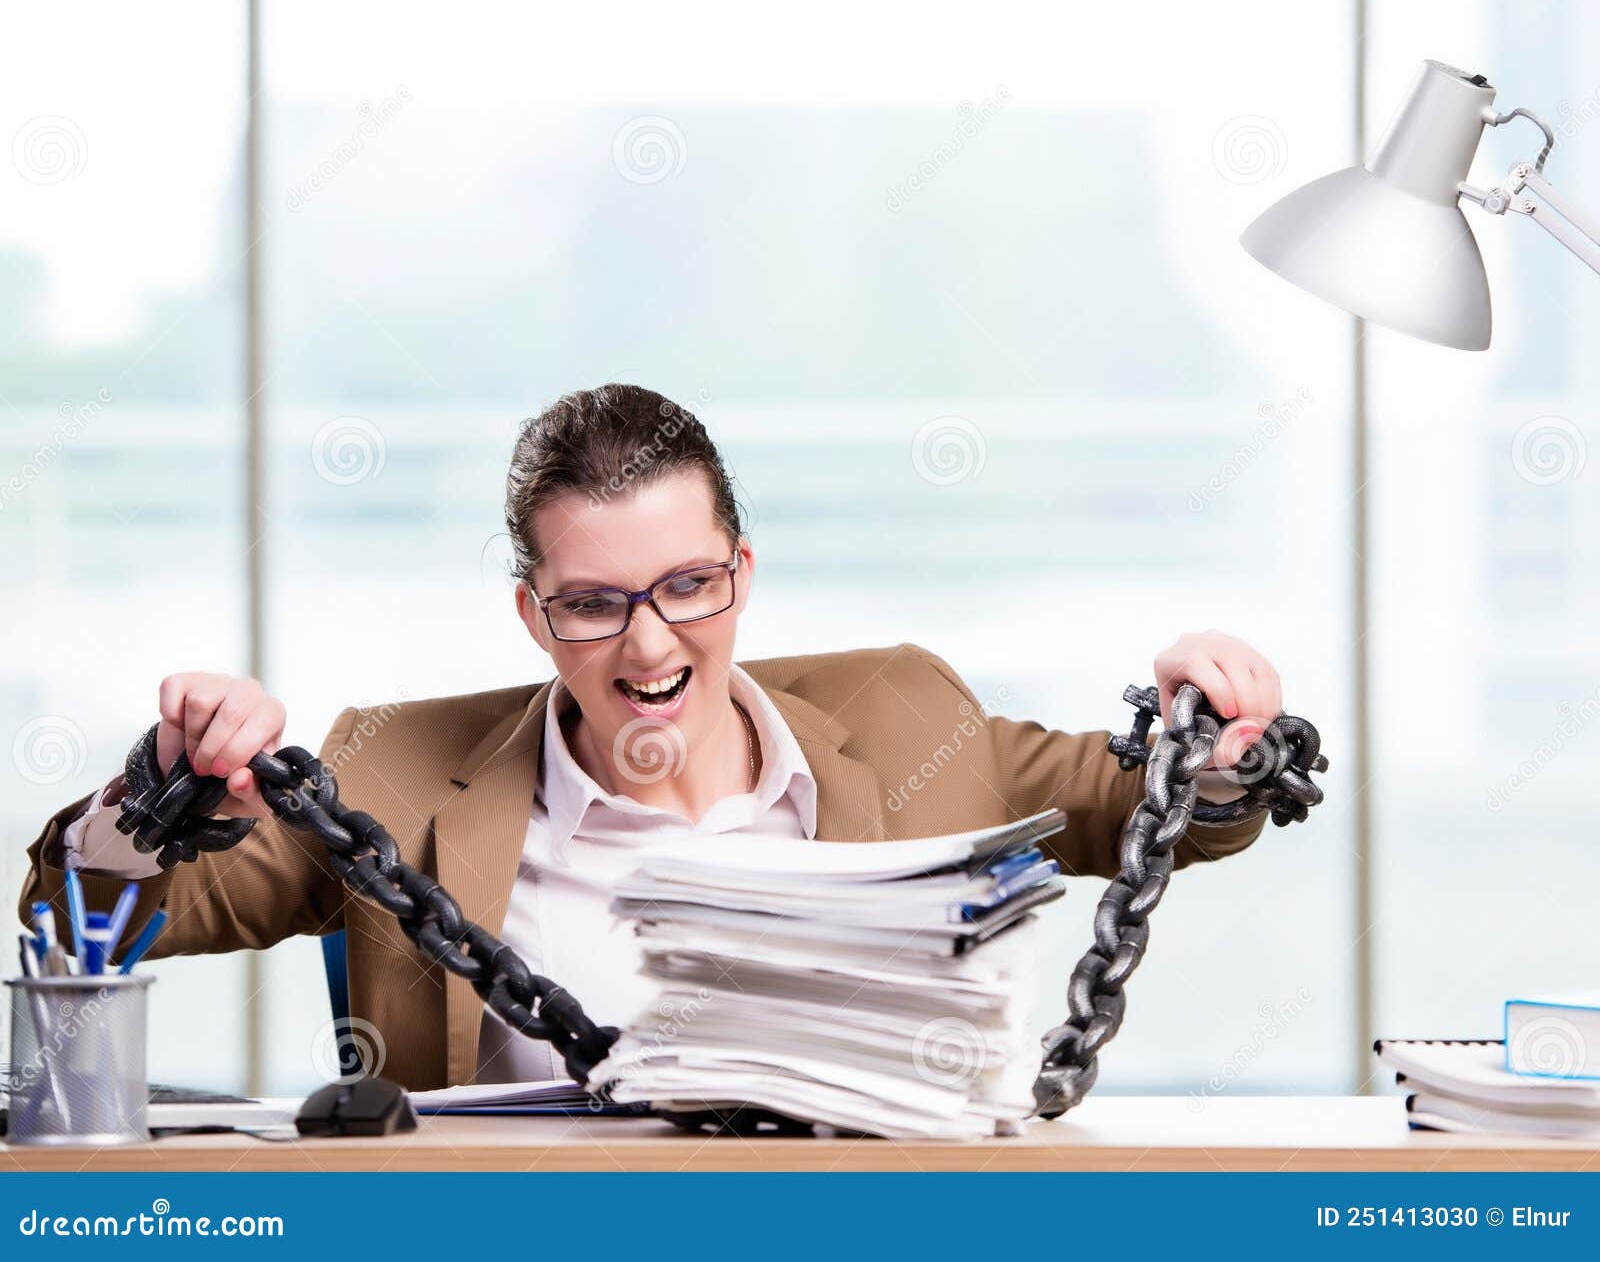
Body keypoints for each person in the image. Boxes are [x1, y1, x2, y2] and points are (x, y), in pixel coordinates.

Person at [18, 383, 1286, 1091]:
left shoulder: (905, 720)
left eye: (688, 585)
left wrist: (1214, 735)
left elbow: (1149, 812)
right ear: (533, 612)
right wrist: (167, 789)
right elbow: (88, 921)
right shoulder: (398, 771)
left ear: (741, 570)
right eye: (592, 603)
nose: (649, 646)